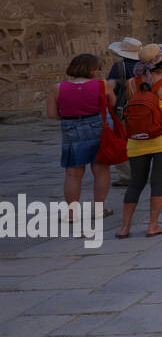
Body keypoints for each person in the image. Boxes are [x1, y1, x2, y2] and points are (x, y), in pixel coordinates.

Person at [118, 43, 162, 238]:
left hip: (137, 139)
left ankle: (124, 227)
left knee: (135, 182)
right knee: (158, 181)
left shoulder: (131, 83)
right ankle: (153, 225)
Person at [45, 53, 112, 219]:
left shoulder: (57, 88)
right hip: (97, 127)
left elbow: (51, 114)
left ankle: (71, 213)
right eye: (97, 68)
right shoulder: (103, 85)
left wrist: (71, 119)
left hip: (71, 128)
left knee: (73, 174)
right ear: (92, 69)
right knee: (101, 171)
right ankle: (98, 210)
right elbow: (112, 103)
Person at [104, 36, 142, 187]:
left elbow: (110, 87)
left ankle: (127, 175)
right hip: (142, 107)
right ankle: (141, 171)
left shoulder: (119, 67)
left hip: (124, 108)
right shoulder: (145, 66)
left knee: (122, 141)